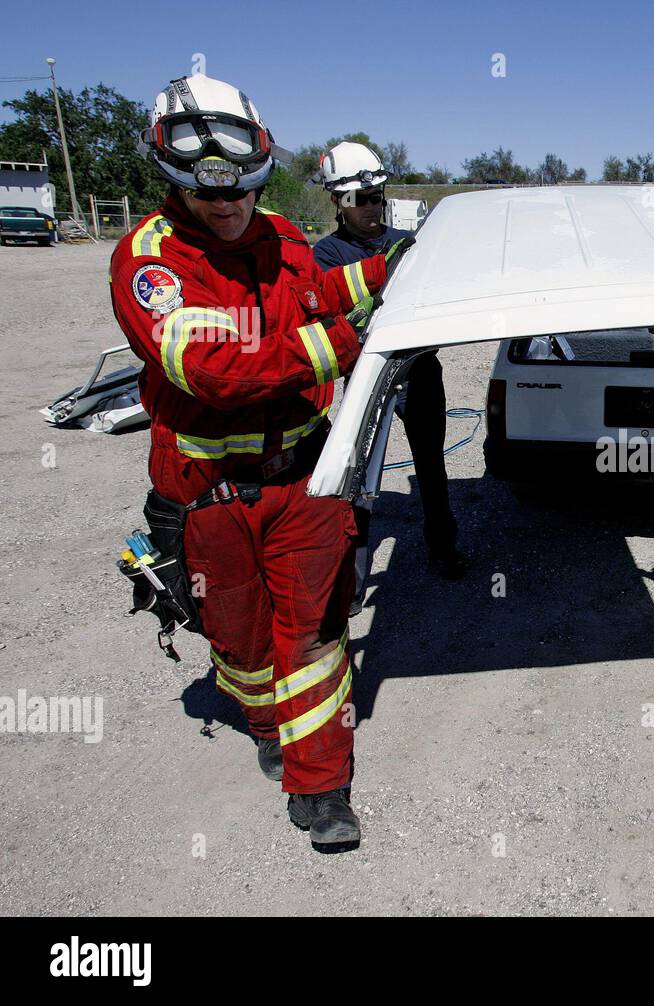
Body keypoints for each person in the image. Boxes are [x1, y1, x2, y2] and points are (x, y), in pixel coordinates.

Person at [110, 74, 391, 849]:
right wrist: (348, 346)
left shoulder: (284, 236)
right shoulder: (149, 263)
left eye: (242, 193)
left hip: (303, 478)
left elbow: (320, 296)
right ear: (173, 180)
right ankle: (268, 720)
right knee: (238, 641)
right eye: (210, 198)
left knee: (313, 636)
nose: (229, 207)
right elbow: (215, 370)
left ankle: (321, 787)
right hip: (205, 500)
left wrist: (393, 274)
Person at [312, 142, 466, 615]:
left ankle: (442, 548)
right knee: (357, 475)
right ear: (338, 202)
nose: (372, 207)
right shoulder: (325, 255)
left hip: (420, 370)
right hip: (366, 376)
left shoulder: (408, 243)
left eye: (378, 195)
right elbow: (337, 316)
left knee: (431, 466)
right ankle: (352, 578)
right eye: (361, 199)